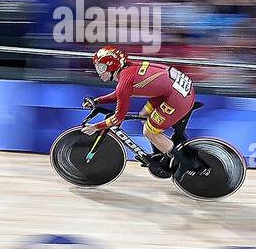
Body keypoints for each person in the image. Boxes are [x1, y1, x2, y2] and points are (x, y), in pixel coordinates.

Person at [81, 44, 206, 177]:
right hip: (175, 91)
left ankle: (186, 162)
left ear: (112, 66)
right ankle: (161, 152)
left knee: (149, 131)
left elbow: (118, 117)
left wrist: (96, 127)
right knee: (144, 115)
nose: (99, 72)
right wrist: (97, 101)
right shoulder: (127, 69)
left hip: (177, 97)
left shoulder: (124, 81)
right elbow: (120, 93)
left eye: (101, 68)